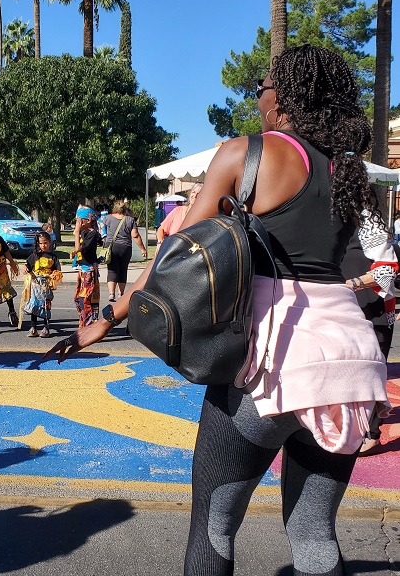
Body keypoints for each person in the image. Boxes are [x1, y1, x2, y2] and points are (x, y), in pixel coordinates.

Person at [45, 45, 389, 576]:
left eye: (262, 85)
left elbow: (173, 256)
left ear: (282, 100)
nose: (258, 94)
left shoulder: (245, 154)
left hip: (270, 364)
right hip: (349, 363)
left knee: (214, 525)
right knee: (314, 533)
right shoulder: (349, 171)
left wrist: (108, 318)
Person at [341, 205, 397, 454]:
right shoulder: (321, 218)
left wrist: (348, 284)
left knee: (373, 372)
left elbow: (388, 269)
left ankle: (372, 432)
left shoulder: (367, 219)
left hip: (374, 311)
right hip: (339, 310)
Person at [20, 231, 63, 337]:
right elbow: (27, 265)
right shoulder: (34, 255)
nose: (43, 245)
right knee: (34, 306)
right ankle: (33, 327)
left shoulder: (53, 257)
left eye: (45, 242)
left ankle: (46, 327)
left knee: (45, 306)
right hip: (35, 286)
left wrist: (54, 275)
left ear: (49, 242)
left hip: (46, 286)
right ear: (38, 243)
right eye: (41, 243)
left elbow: (58, 271)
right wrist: (25, 267)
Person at [104, 201, 147, 302]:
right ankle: (121, 294)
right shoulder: (130, 220)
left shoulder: (108, 218)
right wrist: (142, 249)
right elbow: (135, 235)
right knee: (123, 270)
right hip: (125, 247)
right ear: (125, 209)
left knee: (112, 269)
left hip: (111, 247)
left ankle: (111, 294)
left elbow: (102, 230)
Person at [71, 206, 103, 327]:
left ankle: (89, 324)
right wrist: (78, 232)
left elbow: (78, 249)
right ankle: (84, 322)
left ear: (88, 220)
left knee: (87, 298)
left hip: (89, 271)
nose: (77, 223)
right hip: (82, 270)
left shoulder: (93, 234)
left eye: (80, 220)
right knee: (79, 297)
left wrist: (77, 231)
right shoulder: (84, 233)